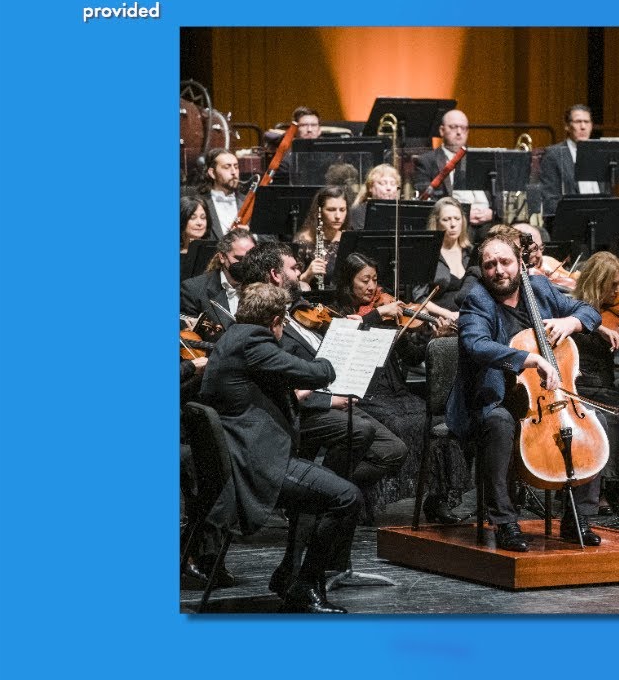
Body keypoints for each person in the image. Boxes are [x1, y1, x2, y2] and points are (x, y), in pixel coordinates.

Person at [197, 282, 360, 613]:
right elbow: (317, 373)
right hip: (255, 463)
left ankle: (290, 576)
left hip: (246, 453)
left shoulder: (234, 336)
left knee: (315, 497)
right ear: (275, 319)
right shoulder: (253, 341)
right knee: (346, 497)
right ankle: (306, 583)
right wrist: (333, 353)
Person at [447, 233, 604, 550]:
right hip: (492, 397)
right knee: (500, 424)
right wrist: (529, 358)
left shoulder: (541, 288)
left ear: (519, 263)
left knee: (594, 424)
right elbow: (475, 345)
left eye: (505, 262)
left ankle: (577, 520)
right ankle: (505, 523)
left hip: (544, 398)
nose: (499, 270)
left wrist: (571, 322)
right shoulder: (477, 300)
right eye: (490, 265)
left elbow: (590, 311)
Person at [237, 243, 407, 529]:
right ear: (275, 275)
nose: (299, 274)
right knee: (359, 430)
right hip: (305, 407)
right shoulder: (265, 319)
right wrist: (329, 400)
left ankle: (317, 492)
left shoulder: (295, 310)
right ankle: (320, 502)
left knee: (395, 450)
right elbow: (278, 384)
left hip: (335, 393)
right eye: (293, 268)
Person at [330, 252, 465, 524]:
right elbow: (341, 344)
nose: (372, 287)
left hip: (396, 391)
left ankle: (437, 500)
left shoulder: (390, 315)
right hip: (364, 394)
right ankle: (364, 501)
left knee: (440, 423)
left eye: (375, 280)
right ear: (348, 282)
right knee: (403, 426)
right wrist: (375, 315)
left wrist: (434, 338)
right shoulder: (338, 313)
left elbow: (412, 357)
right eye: (364, 280)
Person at [569, 251, 619, 510]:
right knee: (615, 419)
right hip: (579, 385)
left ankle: (617, 487)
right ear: (597, 282)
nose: (618, 292)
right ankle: (599, 489)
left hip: (605, 385)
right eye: (612, 285)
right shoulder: (575, 311)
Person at [412, 109, 497, 237]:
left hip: (488, 217)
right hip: (455, 220)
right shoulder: (426, 161)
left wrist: (493, 212)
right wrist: (464, 213)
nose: (459, 132)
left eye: (463, 128)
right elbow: (427, 199)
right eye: (453, 127)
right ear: (441, 130)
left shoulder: (481, 156)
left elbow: (498, 191)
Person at [536, 104, 609, 218]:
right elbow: (549, 200)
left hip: (601, 215)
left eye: (587, 122)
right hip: (571, 218)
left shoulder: (599, 154)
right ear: (567, 126)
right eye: (578, 122)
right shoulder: (554, 155)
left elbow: (606, 194)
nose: (583, 126)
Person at [180, 227, 255, 333]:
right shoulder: (193, 289)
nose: (246, 264)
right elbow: (190, 338)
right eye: (239, 258)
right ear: (222, 257)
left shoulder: (262, 286)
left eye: (250, 259)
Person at [415, 197, 472, 320]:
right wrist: (448, 314)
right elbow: (419, 297)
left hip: (469, 318)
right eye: (446, 219)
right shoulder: (427, 254)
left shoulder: (470, 252)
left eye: (457, 219)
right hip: (438, 320)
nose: (453, 224)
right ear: (436, 223)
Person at [292, 186, 348, 290]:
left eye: (342, 210)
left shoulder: (349, 239)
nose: (338, 216)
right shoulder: (303, 242)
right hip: (314, 301)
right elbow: (290, 288)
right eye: (331, 210)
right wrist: (308, 275)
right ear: (319, 211)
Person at [184, 148, 242, 239]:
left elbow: (269, 237)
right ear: (212, 173)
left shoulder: (250, 202)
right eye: (227, 167)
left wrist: (252, 236)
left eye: (236, 167)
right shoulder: (197, 203)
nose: (234, 172)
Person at [348, 163, 403, 230]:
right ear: (371, 187)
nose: (389, 188)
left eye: (393, 184)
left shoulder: (400, 209)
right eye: (383, 183)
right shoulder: (359, 210)